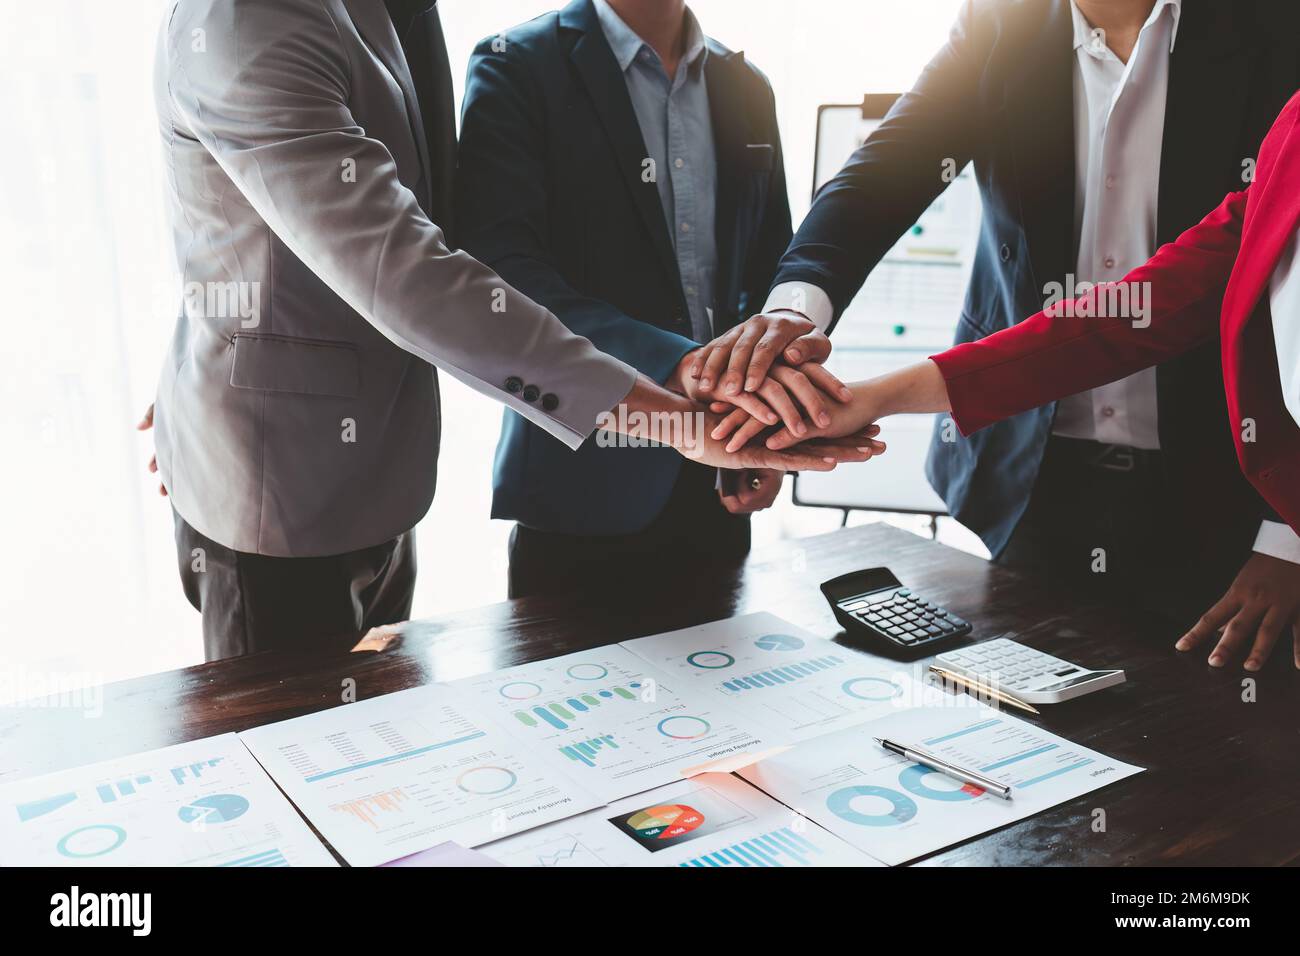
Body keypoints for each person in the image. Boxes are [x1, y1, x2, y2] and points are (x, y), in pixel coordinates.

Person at [139, 0, 878, 660]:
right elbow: (417, 273)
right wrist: (678, 411)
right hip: (279, 490)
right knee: (292, 776)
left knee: (382, 762)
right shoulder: (245, 19)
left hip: (385, 472)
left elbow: (360, 220)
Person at [695, 0, 1300, 626]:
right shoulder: (999, 21)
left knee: (1223, 713)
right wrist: (794, 315)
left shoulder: (1275, 27)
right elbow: (885, 177)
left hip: (1235, 474)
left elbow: (1176, 296)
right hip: (1028, 470)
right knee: (1027, 697)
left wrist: (1290, 534)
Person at [455, 0, 848, 597]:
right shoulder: (517, 65)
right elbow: (505, 277)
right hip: (581, 481)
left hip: (724, 470)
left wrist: (766, 427)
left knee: (727, 686)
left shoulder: (746, 87)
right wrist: (680, 363)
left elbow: (766, 273)